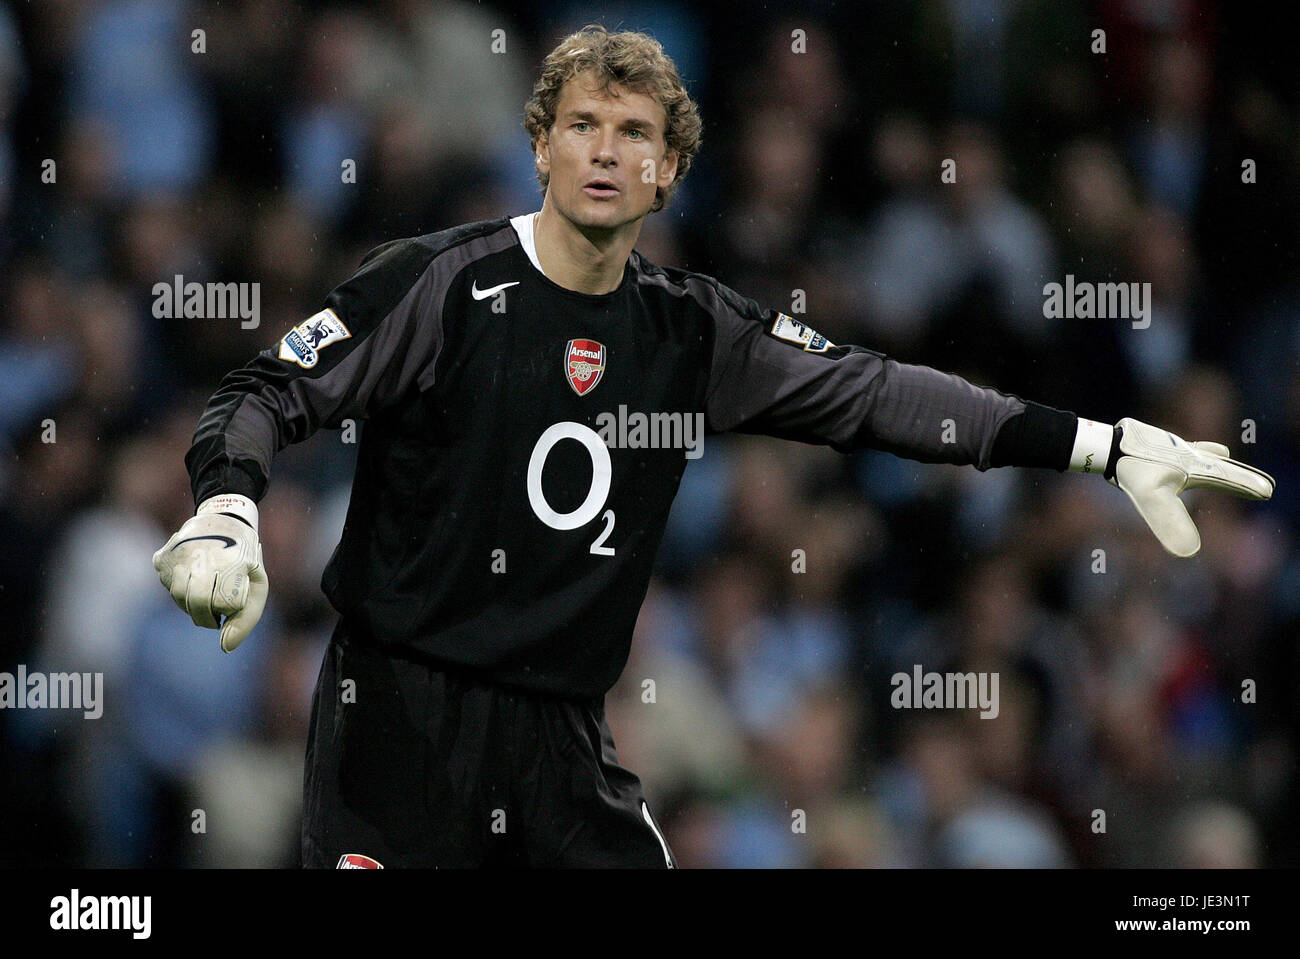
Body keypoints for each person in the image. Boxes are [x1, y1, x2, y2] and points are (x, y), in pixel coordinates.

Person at [152, 25, 1275, 868]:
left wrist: (1106, 444)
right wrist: (227, 505)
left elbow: (885, 397)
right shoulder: (436, 284)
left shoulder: (691, 331)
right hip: (395, 724)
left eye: (633, 133)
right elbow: (263, 392)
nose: (604, 150)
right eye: (581, 125)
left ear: (668, 169)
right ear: (538, 146)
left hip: (560, 741)